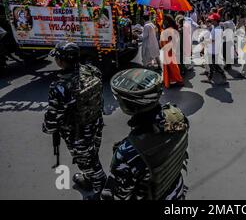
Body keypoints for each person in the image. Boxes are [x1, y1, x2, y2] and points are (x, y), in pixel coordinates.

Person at [102, 69, 189, 200]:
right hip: (176, 191)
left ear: (130, 106)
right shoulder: (177, 116)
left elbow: (117, 195)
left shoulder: (128, 152)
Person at [42, 42, 106, 199]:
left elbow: (53, 117)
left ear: (62, 60)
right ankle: (90, 178)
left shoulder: (60, 85)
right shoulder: (93, 70)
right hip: (96, 122)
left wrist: (47, 128)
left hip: (77, 132)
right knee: (92, 153)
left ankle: (100, 189)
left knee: (87, 161)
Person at [160, 14, 184, 88]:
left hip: (168, 51)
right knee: (170, 67)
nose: (163, 23)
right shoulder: (171, 29)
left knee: (172, 67)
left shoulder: (168, 30)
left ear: (167, 22)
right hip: (169, 50)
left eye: (164, 21)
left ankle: (178, 80)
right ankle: (169, 81)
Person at [206, 13, 227, 84]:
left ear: (216, 21)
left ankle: (224, 77)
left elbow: (214, 40)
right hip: (212, 48)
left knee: (215, 65)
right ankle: (210, 78)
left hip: (214, 49)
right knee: (211, 64)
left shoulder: (217, 29)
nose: (211, 21)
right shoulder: (215, 27)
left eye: (212, 20)